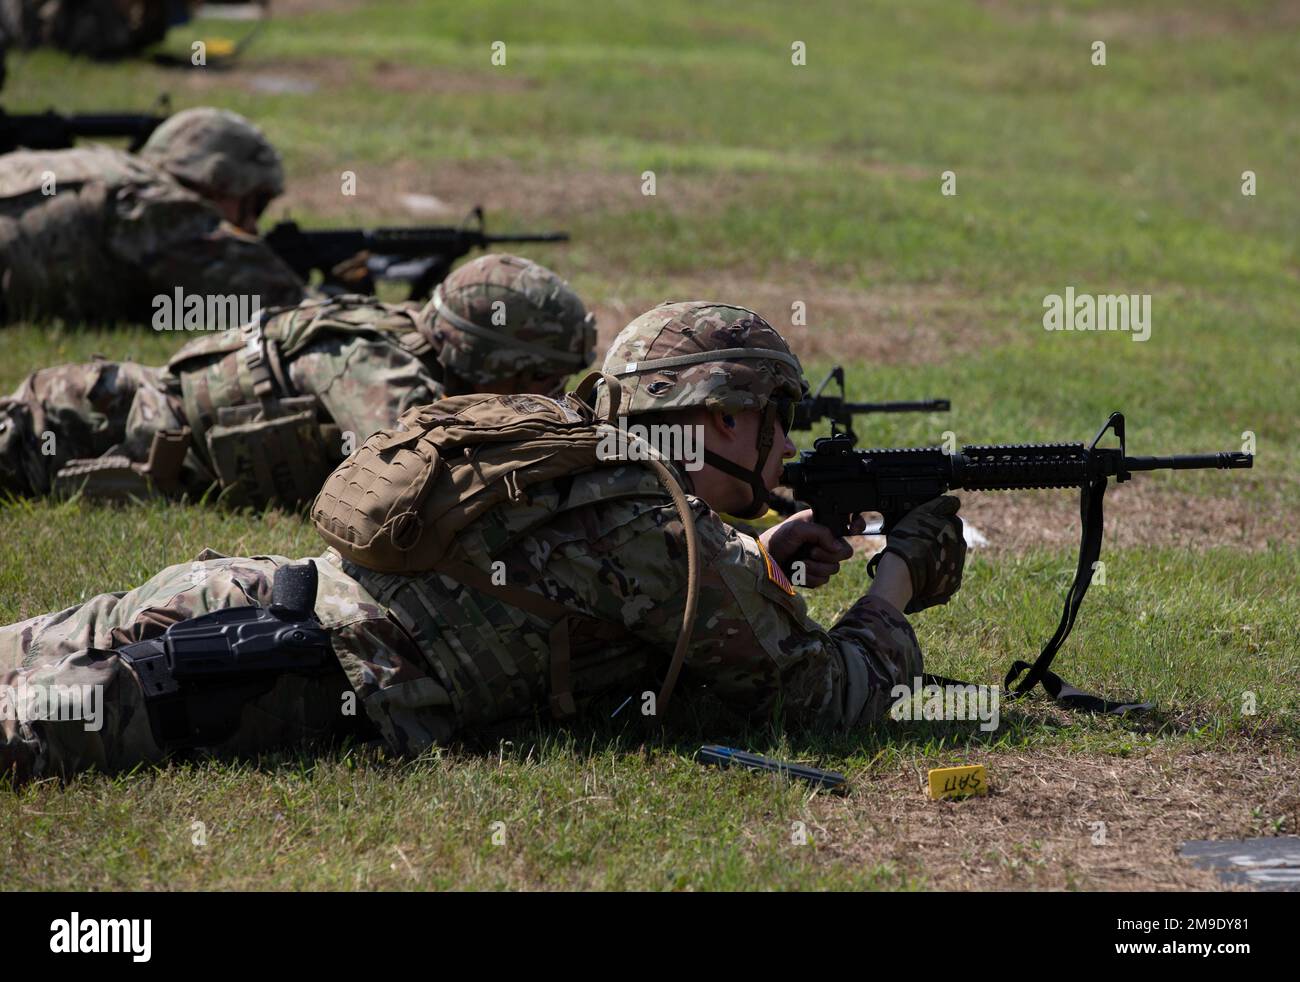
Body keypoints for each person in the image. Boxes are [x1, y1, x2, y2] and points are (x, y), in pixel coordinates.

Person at [0, 301, 965, 784]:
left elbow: (602, 585)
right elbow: (826, 698)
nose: (789, 441)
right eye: (774, 415)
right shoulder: (661, 533)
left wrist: (760, 560)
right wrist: (893, 591)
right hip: (272, 678)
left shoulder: (584, 454)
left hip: (244, 598)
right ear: (713, 418)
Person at [0, 253, 595, 506]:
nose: (548, 396)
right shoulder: (376, 364)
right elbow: (408, 477)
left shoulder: (428, 348)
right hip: (74, 423)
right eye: (543, 378)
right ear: (489, 359)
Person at [0, 106, 304, 325]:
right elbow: (279, 299)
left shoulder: (108, 169)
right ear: (218, 181)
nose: (252, 225)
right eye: (256, 204)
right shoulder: (156, 204)